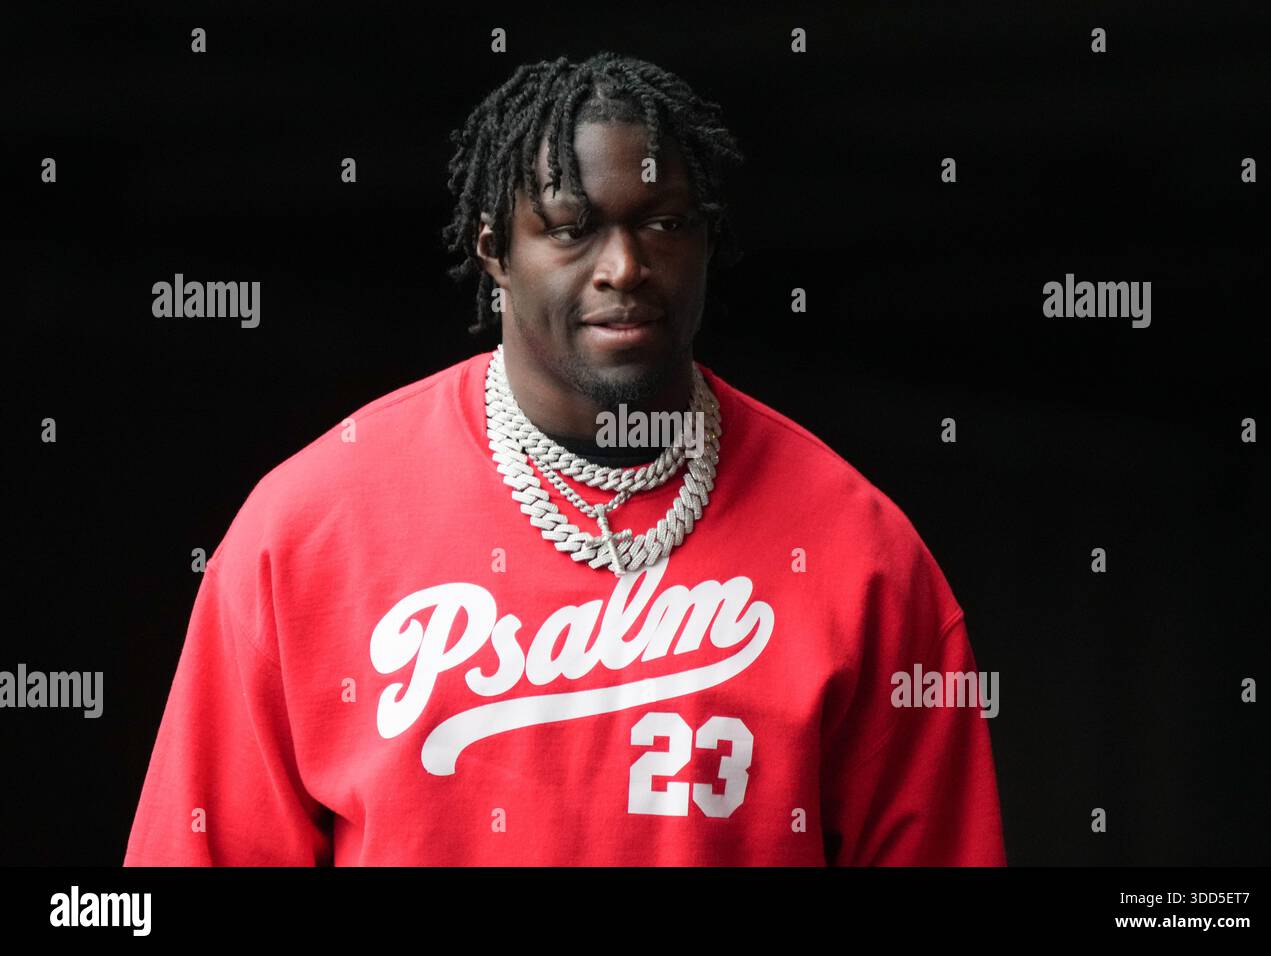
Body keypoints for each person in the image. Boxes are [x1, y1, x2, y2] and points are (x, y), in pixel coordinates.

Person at [123, 51, 1006, 866]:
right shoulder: (308, 531)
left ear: (706, 242)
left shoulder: (864, 556)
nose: (624, 266)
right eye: (570, 228)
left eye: (662, 223)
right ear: (494, 252)